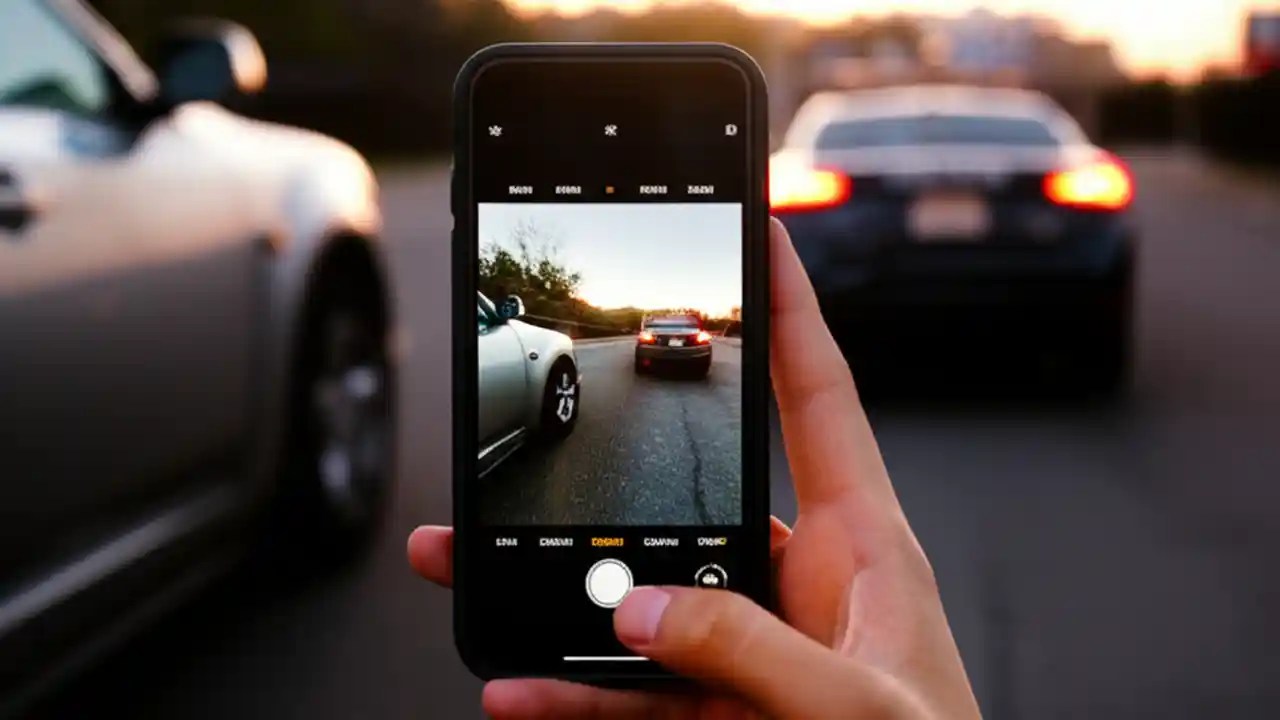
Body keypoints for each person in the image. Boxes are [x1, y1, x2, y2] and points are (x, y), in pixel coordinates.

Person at [409, 219, 982, 719]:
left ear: (699, 332)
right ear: (646, 333)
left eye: (685, 330)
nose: (672, 332)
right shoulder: (653, 329)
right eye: (658, 331)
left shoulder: (692, 331)